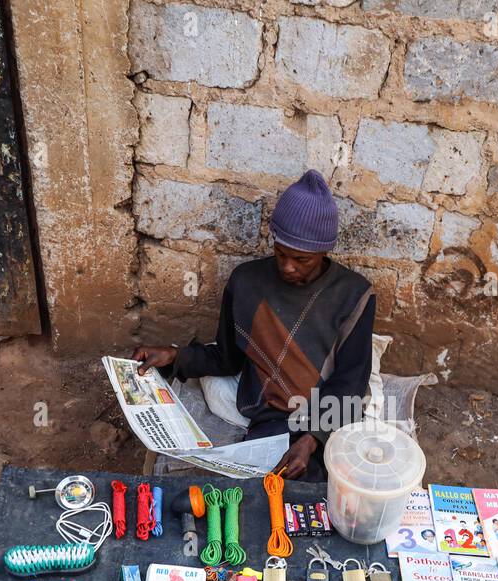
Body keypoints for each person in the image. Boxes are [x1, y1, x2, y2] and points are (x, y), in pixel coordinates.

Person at [130, 170, 376, 480]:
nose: (287, 267)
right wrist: (176, 357)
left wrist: (312, 439)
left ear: (324, 250)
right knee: (259, 498)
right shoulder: (246, 283)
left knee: (335, 503)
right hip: (269, 419)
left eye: (302, 260)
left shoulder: (354, 295)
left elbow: (350, 382)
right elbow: (227, 357)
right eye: (280, 253)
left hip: (324, 417)